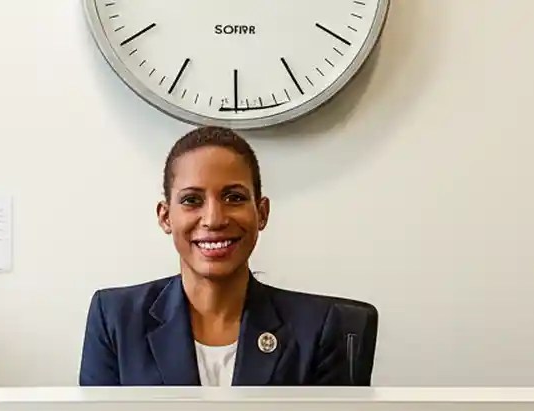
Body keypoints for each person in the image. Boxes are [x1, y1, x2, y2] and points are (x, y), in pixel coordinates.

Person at [79, 126, 356, 387]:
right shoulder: (115, 320)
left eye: (234, 198)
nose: (213, 219)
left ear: (262, 213)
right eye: (191, 200)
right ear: (165, 217)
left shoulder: (319, 328)